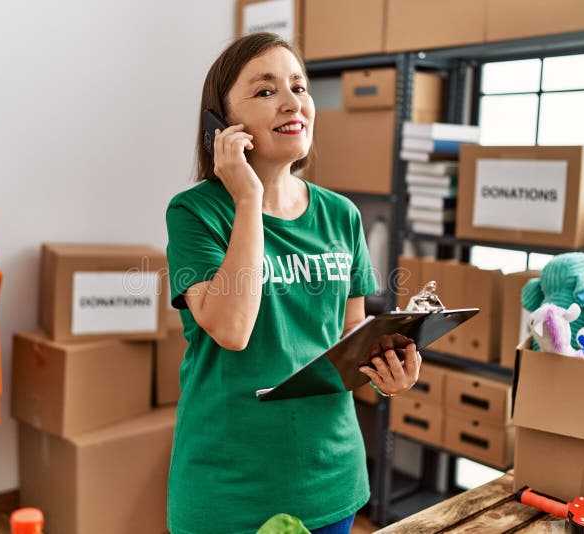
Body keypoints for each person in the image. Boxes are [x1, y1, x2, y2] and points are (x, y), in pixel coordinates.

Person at [165, 32, 422, 534]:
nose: (292, 102)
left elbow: (350, 342)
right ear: (220, 125)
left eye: (299, 87)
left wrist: (390, 373)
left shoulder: (341, 215)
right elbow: (231, 329)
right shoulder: (194, 212)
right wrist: (246, 199)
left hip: (331, 478)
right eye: (265, 91)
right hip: (230, 491)